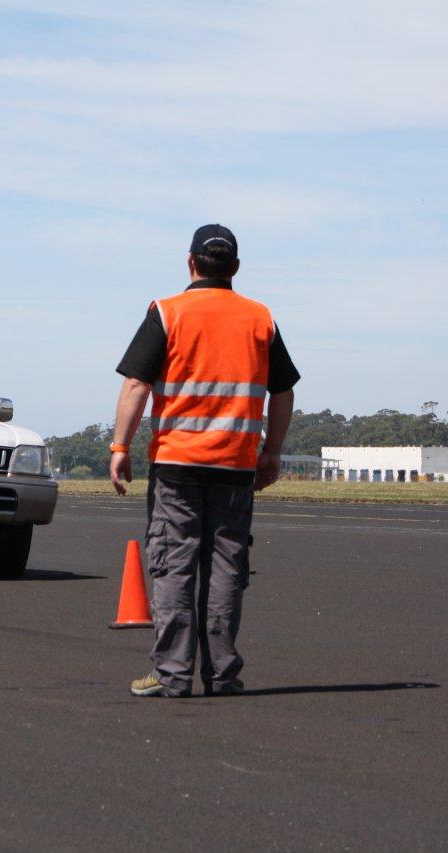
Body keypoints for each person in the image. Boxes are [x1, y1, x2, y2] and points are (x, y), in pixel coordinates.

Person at [110, 224, 299, 698]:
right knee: (225, 567)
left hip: (177, 465)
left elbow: (136, 384)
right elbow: (283, 390)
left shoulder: (168, 312)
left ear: (190, 262)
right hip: (236, 466)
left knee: (175, 564)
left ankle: (172, 674)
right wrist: (271, 452)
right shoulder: (260, 318)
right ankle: (221, 674)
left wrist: (120, 447)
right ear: (234, 268)